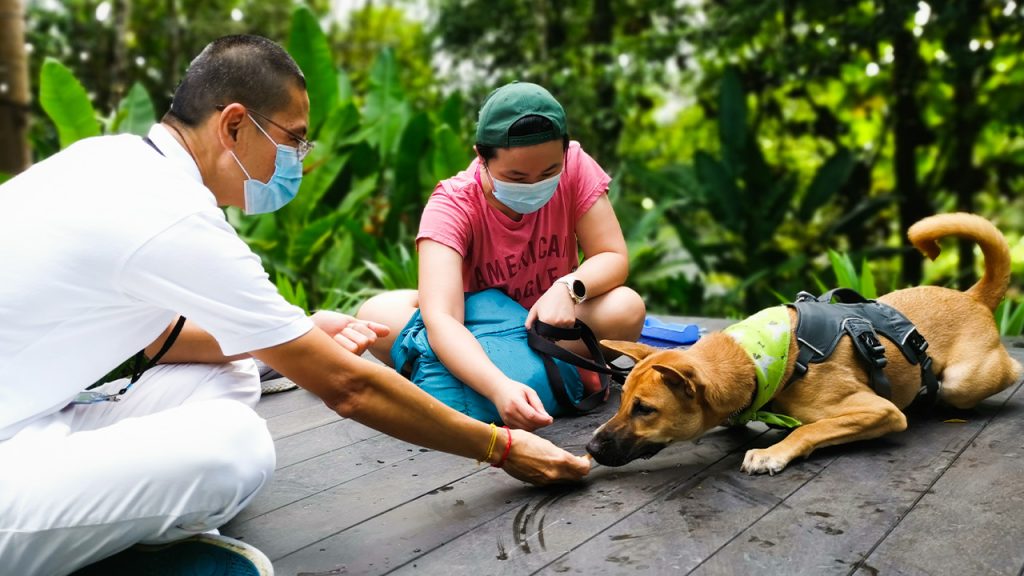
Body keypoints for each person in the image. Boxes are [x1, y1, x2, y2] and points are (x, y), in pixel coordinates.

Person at [0, 36, 590, 576]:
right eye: (292, 139)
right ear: (234, 125)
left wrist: (299, 332)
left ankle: (118, 517)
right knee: (237, 451)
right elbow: (348, 388)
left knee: (233, 375)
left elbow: (160, 339)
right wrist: (501, 448)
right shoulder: (172, 215)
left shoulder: (116, 162)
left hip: (32, 415)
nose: (298, 160)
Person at [357, 82, 645, 432]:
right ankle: (534, 369)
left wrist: (569, 287)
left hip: (549, 325)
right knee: (375, 318)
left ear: (565, 153)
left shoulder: (576, 164)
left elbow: (611, 255)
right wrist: (499, 388)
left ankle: (482, 368)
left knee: (626, 307)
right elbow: (444, 320)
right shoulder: (452, 204)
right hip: (479, 331)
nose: (534, 184)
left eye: (548, 173)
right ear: (482, 156)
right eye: (516, 176)